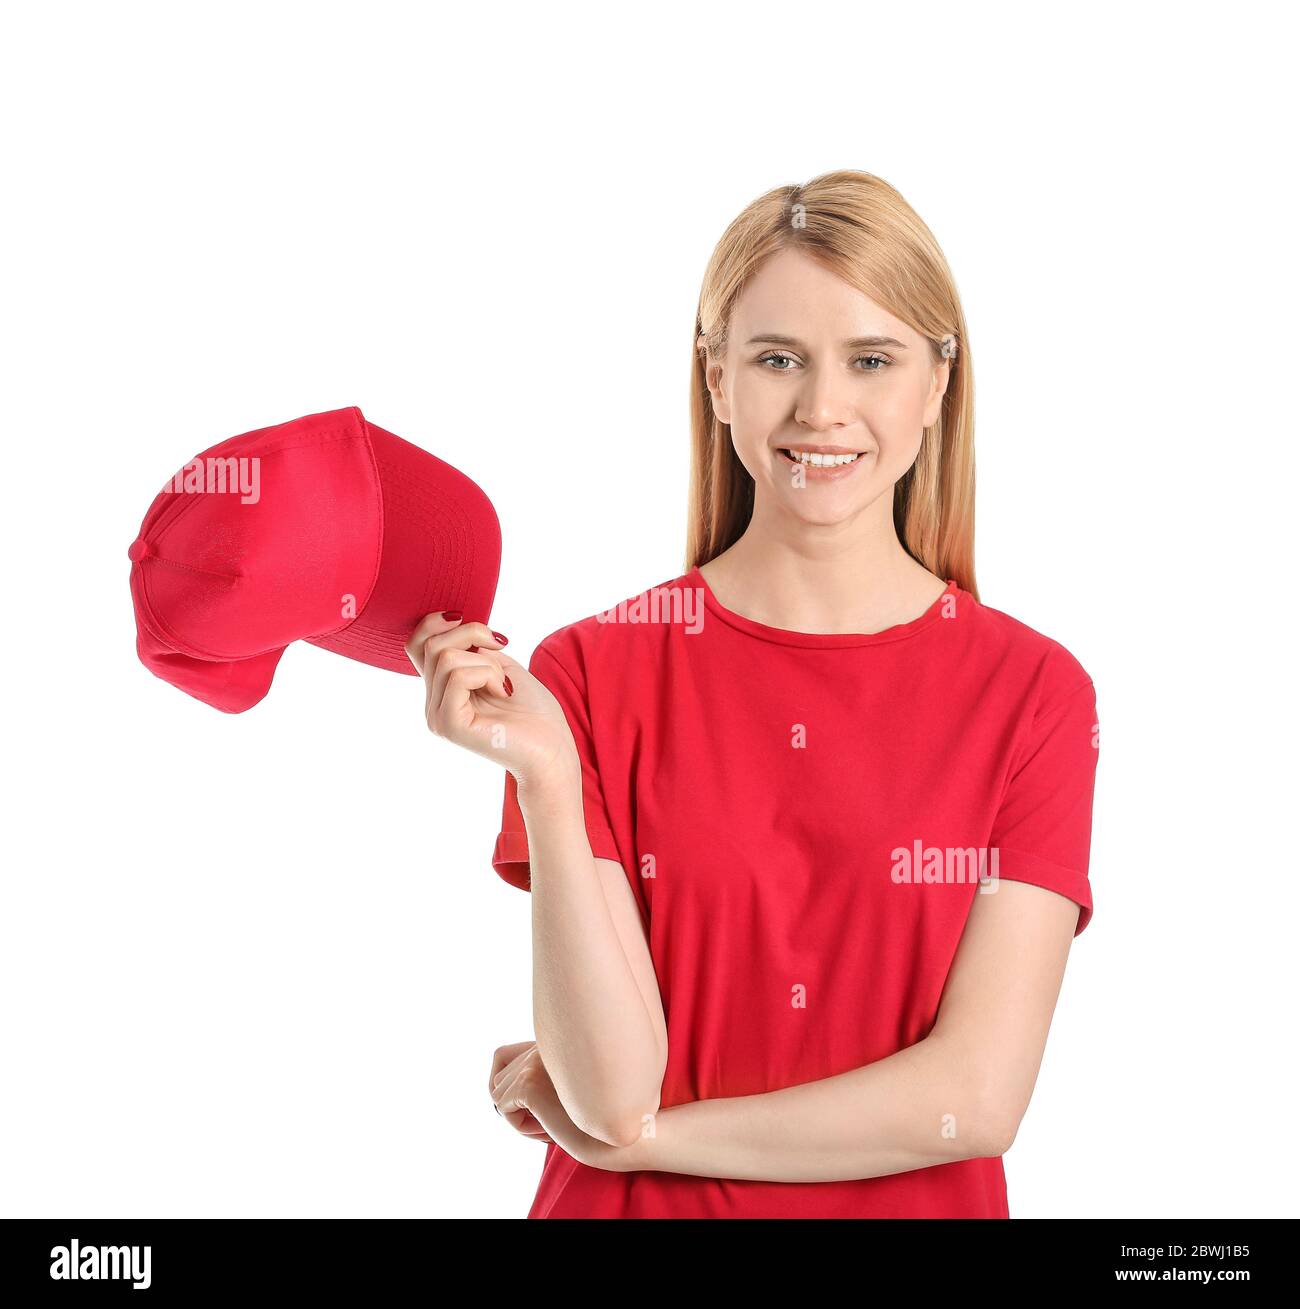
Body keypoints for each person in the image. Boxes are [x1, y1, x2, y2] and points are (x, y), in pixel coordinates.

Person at [405, 170, 1100, 1218]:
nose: (821, 408)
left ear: (936, 383)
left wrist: (642, 1140)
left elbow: (973, 1098)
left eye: (871, 359)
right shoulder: (591, 673)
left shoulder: (1033, 692)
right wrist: (546, 779)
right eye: (777, 358)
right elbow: (609, 1085)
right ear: (717, 379)